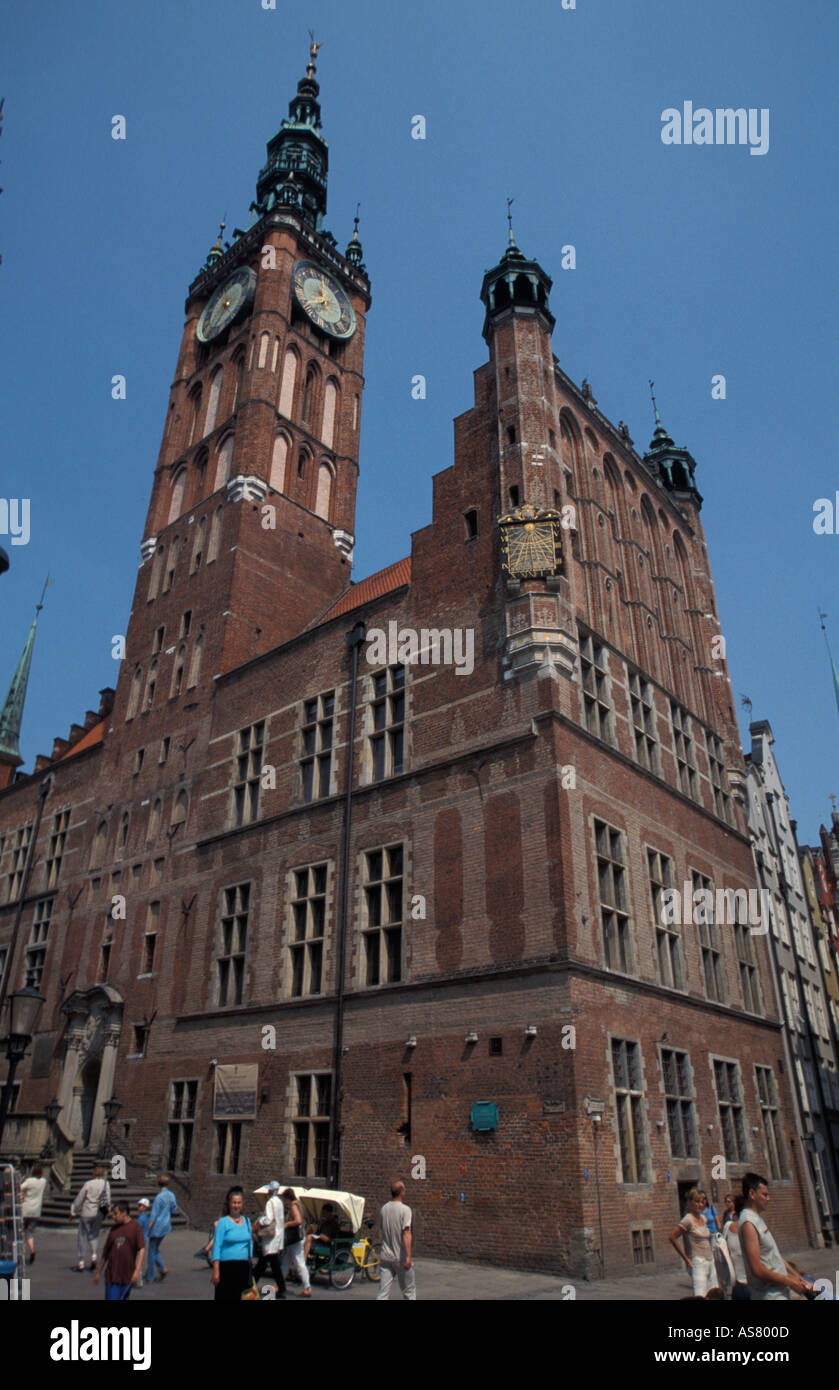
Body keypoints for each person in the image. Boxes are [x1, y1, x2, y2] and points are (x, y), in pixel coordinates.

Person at [738, 1172, 813, 1301]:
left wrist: (798, 1277)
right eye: (765, 1195)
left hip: (779, 1292)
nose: (769, 1199)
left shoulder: (757, 1219)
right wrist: (790, 1282)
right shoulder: (748, 1223)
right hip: (769, 1294)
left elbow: (774, 1255)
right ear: (752, 1194)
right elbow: (757, 1269)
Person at [93, 1201, 145, 1300]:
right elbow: (105, 1253)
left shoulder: (135, 1227)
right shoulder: (114, 1230)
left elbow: (141, 1249)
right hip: (112, 1275)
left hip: (127, 1275)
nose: (113, 1216)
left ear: (124, 1213)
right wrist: (98, 1272)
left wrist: (137, 1271)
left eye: (116, 1213)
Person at [211, 1186, 253, 1302]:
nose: (236, 1205)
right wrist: (216, 1270)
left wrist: (250, 1262)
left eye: (239, 1203)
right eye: (234, 1203)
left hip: (243, 1267)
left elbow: (250, 1242)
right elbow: (217, 1246)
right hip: (226, 1267)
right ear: (229, 1204)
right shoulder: (223, 1222)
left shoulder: (247, 1221)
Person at [668, 1188, 713, 1297]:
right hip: (698, 1261)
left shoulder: (703, 1218)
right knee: (700, 1295)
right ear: (690, 1202)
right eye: (697, 1202)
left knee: (712, 1295)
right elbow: (672, 1237)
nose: (700, 1205)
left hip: (710, 1260)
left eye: (702, 1202)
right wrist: (686, 1259)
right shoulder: (688, 1219)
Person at [377, 1179, 415, 1301]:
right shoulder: (405, 1210)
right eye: (404, 1188)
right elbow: (406, 1233)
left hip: (385, 1255)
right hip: (400, 1257)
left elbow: (383, 1229)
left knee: (383, 1293)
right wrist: (408, 1256)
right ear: (401, 1192)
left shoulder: (384, 1208)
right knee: (409, 1291)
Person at [71, 1163, 111, 1272]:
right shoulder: (105, 1184)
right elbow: (108, 1199)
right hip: (98, 1213)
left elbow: (80, 1198)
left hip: (87, 1212)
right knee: (94, 1235)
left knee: (83, 1236)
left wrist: (74, 1210)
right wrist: (107, 1211)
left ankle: (81, 1263)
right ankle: (94, 1256)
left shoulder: (88, 1184)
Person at [253, 1179, 286, 1298]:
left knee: (266, 1263)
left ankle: (251, 1285)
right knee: (269, 1263)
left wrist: (259, 1220)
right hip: (277, 1237)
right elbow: (281, 1221)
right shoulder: (280, 1202)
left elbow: (268, 1219)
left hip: (270, 1237)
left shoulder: (270, 1202)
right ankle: (281, 1288)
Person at [146, 1173, 177, 1283]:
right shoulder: (171, 1195)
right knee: (155, 1248)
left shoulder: (159, 1197)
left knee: (151, 1250)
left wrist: (148, 1228)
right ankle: (162, 1268)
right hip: (166, 1225)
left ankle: (150, 1276)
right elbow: (174, 1209)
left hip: (157, 1226)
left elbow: (154, 1215)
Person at [280, 1188, 311, 1298]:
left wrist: (287, 1224)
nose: (284, 1202)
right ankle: (279, 1284)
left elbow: (298, 1220)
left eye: (284, 1199)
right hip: (297, 1238)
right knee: (286, 1261)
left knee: (299, 1262)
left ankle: (307, 1288)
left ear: (288, 1198)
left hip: (295, 1239)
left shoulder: (293, 1205)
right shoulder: (298, 1204)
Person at [723, 1194, 751, 1301]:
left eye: (729, 1201)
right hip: (750, 1284)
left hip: (736, 1284)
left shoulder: (728, 1226)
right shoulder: (753, 1227)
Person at [20, 1162, 47, 1265]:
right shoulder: (43, 1181)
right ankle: (32, 1250)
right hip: (36, 1211)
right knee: (30, 1233)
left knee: (21, 1231)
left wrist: (23, 1195)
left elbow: (19, 1188)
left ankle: (21, 1252)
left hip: (25, 1209)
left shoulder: (29, 1181)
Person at [135, 1199, 151, 1287]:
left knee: (137, 1262)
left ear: (145, 1207)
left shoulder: (141, 1218)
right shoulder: (145, 1217)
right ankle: (137, 1280)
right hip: (143, 1240)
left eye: (141, 1206)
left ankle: (138, 1280)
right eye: (139, 1205)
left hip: (139, 1241)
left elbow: (136, 1229)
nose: (139, 1207)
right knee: (138, 1261)